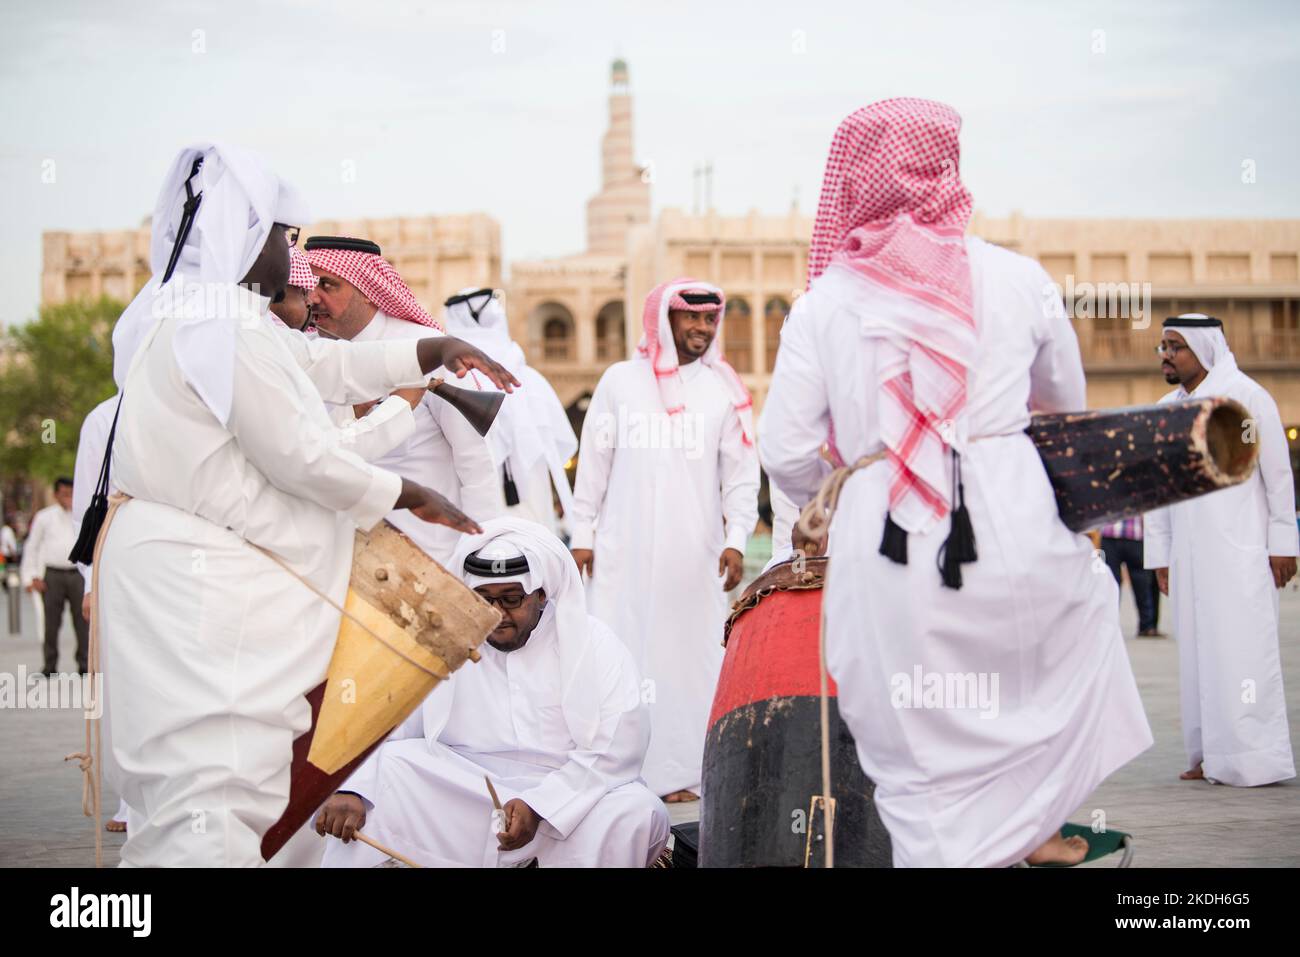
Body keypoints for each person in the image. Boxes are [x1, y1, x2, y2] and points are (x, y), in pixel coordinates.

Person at [97, 142, 519, 867]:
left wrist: (431, 349)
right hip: (203, 590)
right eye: (284, 237)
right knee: (213, 795)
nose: (290, 256)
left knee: (234, 793)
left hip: (208, 584)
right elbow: (298, 453)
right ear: (246, 233)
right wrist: (408, 493)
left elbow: (326, 365)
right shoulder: (215, 325)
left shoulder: (221, 319)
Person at [760, 99, 1152, 867]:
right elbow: (1064, 407)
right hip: (1013, 516)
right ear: (949, 167)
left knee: (915, 748)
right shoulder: (1019, 277)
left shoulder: (823, 303)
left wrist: (841, 488)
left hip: (888, 535)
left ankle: (972, 845)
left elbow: (786, 449)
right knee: (1031, 687)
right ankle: (1027, 825)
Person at [317, 517, 668, 867]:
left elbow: (620, 744)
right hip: (467, 791)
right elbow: (389, 725)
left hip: (568, 798)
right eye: (484, 600)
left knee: (636, 810)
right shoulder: (446, 640)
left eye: (511, 599)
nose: (497, 614)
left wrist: (541, 805)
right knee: (387, 772)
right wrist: (352, 787)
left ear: (542, 595)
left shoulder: (593, 644)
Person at [570, 279, 759, 801]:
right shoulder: (619, 381)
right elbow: (595, 461)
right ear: (664, 321)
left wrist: (737, 537)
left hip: (692, 554)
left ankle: (680, 773)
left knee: (688, 659)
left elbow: (742, 474)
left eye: (708, 320)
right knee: (619, 651)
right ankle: (617, 769)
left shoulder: (724, 388)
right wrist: (582, 534)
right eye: (690, 318)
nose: (700, 328)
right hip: (620, 548)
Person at [1145, 314, 1297, 786]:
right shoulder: (1168, 407)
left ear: (1204, 349)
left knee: (1242, 654)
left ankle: (1256, 759)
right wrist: (1160, 556)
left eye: (1176, 347)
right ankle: (1207, 754)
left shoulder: (1248, 399)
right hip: (1189, 560)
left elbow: (1278, 477)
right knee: (1196, 655)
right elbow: (1159, 490)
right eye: (1163, 346)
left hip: (1242, 555)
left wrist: (1282, 544)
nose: (1166, 355)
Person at [306, 238, 504, 565]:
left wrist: (482, 556)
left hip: (432, 561)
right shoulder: (311, 353)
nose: (314, 296)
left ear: (367, 288)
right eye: (310, 285)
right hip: (342, 560)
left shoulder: (428, 349)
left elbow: (477, 465)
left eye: (328, 284)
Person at [443, 288, 579, 537]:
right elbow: (561, 444)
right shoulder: (530, 379)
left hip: (468, 506)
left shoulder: (448, 378)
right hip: (529, 511)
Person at [20, 477, 88, 676]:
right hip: (52, 575)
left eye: (71, 493)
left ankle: (84, 663)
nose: (69, 497)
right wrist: (32, 576)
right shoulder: (44, 517)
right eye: (64, 493)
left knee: (83, 622)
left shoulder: (82, 514)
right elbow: (32, 547)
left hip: (77, 574)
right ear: (56, 494)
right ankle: (50, 665)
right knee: (51, 623)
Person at [1098, 516, 1162, 637]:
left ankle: (1146, 626)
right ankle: (1110, 624)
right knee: (1110, 583)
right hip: (1112, 536)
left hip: (1133, 536)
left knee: (1141, 583)